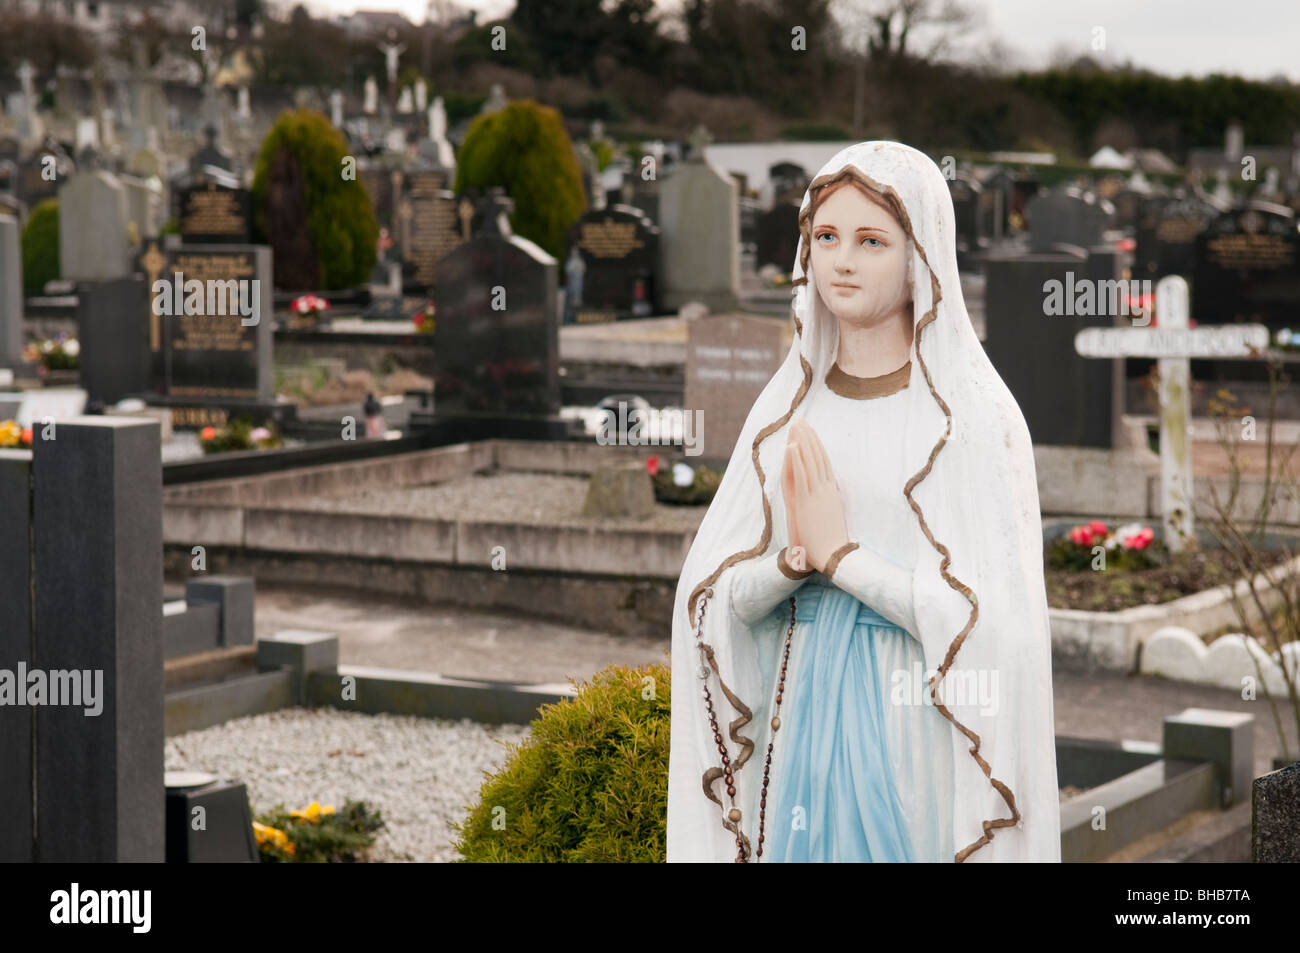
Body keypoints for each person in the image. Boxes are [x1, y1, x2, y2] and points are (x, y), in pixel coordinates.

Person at [667, 141, 1061, 863]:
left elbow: (997, 628)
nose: (841, 260)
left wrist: (843, 560)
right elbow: (713, 600)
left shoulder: (970, 419)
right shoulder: (786, 408)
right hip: (797, 720)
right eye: (825, 237)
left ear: (921, 258)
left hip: (913, 724)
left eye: (871, 240)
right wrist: (790, 564)